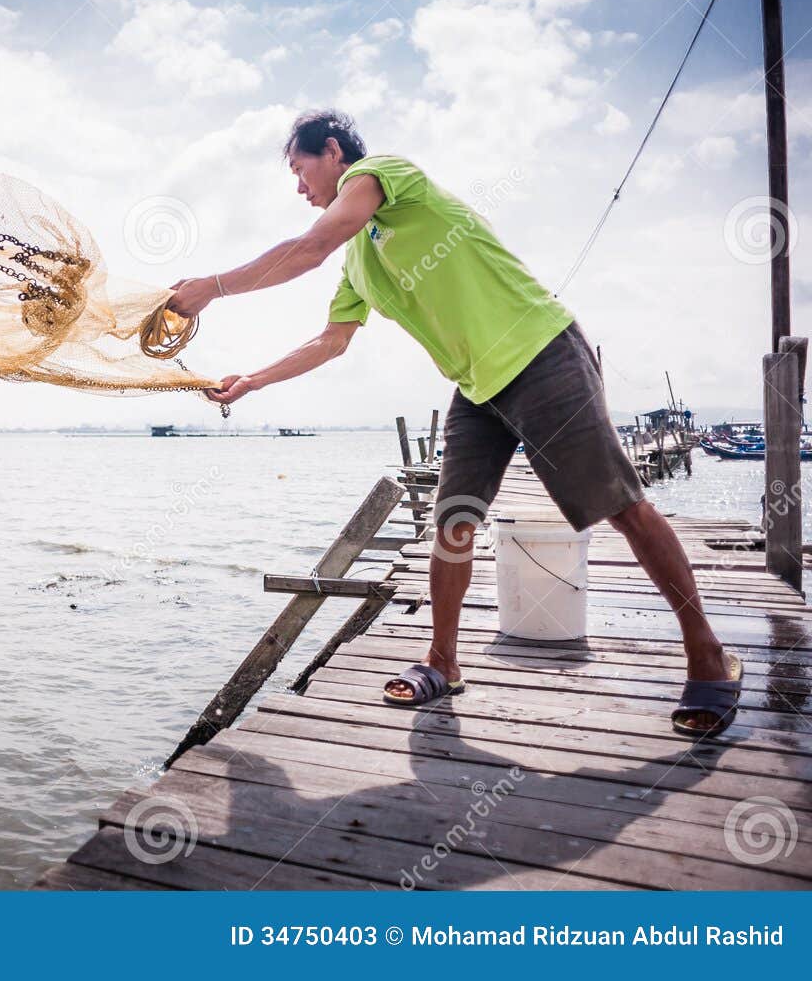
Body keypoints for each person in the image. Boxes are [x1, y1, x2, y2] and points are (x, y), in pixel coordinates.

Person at [166, 109, 741, 737]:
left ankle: (708, 654)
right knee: (453, 519)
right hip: (477, 387)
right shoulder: (357, 260)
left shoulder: (386, 173)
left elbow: (307, 248)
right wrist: (252, 380)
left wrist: (211, 288)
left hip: (540, 352)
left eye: (300, 169)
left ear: (333, 153)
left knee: (621, 506)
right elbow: (332, 341)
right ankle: (443, 661)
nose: (299, 188)